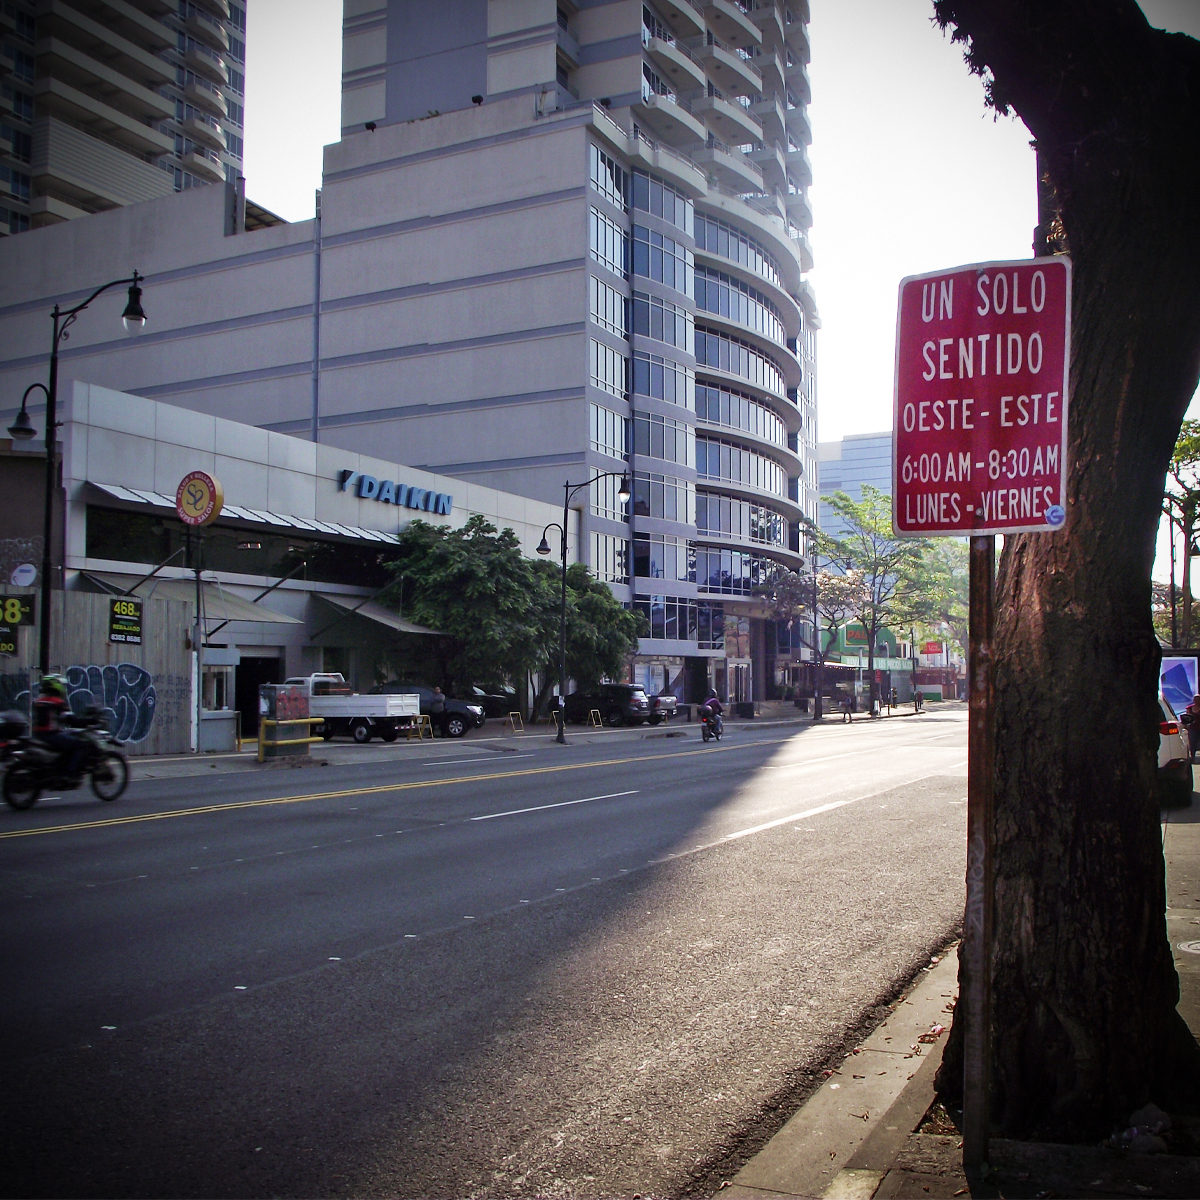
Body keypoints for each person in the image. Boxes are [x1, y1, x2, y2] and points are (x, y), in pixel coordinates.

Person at [32, 674, 85, 780]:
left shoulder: (38, 702)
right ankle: (70, 773)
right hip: (51, 735)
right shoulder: (57, 702)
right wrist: (85, 722)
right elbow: (70, 719)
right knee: (80, 745)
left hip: (37, 735)